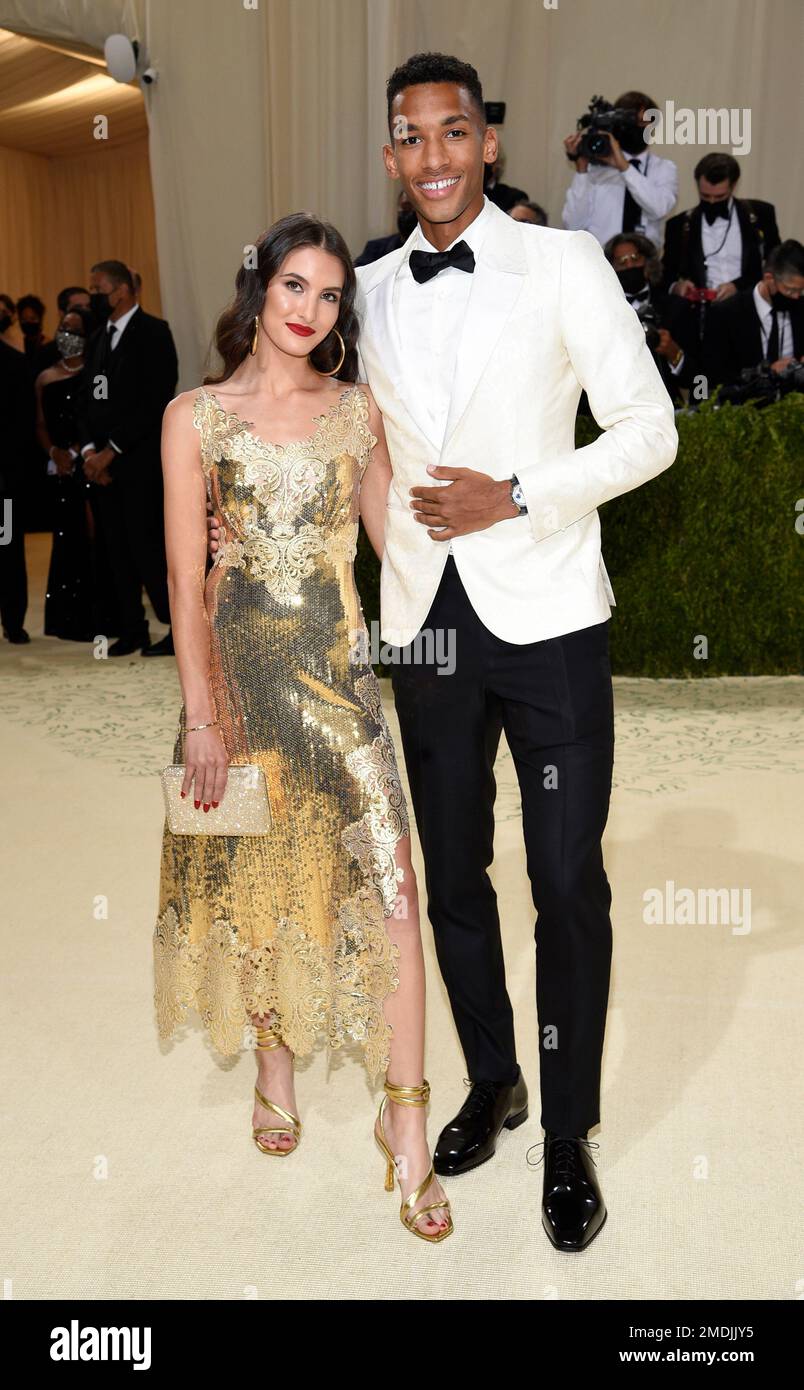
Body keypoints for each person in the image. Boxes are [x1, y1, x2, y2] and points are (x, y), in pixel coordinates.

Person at [351, 53, 677, 1251]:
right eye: (411, 135)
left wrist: (518, 494)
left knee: (566, 877)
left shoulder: (565, 261)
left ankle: (570, 1131)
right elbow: (340, 433)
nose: (433, 155)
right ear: (392, 155)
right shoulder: (368, 289)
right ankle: (495, 1077)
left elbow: (649, 431)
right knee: (454, 874)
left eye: (454, 131)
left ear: (486, 142)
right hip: (426, 625)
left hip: (549, 615)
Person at [154, 214, 453, 1243]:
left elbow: (400, 545)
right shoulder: (193, 417)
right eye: (294, 285)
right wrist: (202, 718)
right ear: (260, 287)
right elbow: (184, 584)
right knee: (255, 883)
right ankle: (273, 1058)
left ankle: (404, 1122)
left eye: (329, 295)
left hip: (341, 685)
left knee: (394, 889)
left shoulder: (357, 412)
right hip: (236, 689)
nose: (309, 309)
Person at [77, 260, 178, 656]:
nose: (93, 297)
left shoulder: (154, 332)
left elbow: (155, 399)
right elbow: (88, 398)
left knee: (148, 548)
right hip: (101, 467)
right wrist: (90, 451)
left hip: (139, 464)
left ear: (120, 291)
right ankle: (132, 628)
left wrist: (111, 451)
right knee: (115, 550)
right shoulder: (97, 338)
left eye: (98, 289)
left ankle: (175, 629)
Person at [34, 305, 96, 640]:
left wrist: (76, 451)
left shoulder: (95, 374)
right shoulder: (45, 377)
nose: (67, 336)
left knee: (93, 537)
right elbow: (40, 424)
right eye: (63, 329)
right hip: (58, 469)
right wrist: (54, 453)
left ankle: (98, 616)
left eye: (74, 330)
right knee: (65, 538)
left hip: (88, 464)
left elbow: (97, 418)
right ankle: (65, 618)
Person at [562, 89, 678, 249]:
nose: (640, 127)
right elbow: (573, 225)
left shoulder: (664, 168)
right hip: (600, 259)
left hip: (644, 260)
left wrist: (624, 167)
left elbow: (659, 209)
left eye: (645, 122)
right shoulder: (594, 170)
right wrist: (581, 170)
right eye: (633, 122)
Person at [661, 152, 780, 300]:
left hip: (750, 304)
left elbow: (776, 266)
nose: (712, 201)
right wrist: (676, 287)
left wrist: (738, 286)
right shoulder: (678, 225)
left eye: (719, 196)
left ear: (733, 186)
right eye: (705, 196)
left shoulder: (760, 214)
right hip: (701, 309)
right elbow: (665, 275)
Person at [604, 232, 703, 403]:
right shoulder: (601, 314)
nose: (629, 265)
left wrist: (674, 353)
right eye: (621, 262)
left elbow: (699, 378)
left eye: (635, 258)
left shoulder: (676, 308)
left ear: (648, 264)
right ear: (610, 270)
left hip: (668, 407)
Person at [706, 238, 804, 388]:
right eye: (790, 290)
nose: (796, 296)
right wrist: (765, 374)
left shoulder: (800, 308)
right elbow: (715, 377)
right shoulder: (726, 315)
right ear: (769, 278)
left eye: (800, 290)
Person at [0, 336, 34, 643]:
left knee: (8, 547)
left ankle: (13, 621)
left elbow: (24, 425)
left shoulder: (14, 363)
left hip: (6, 481)